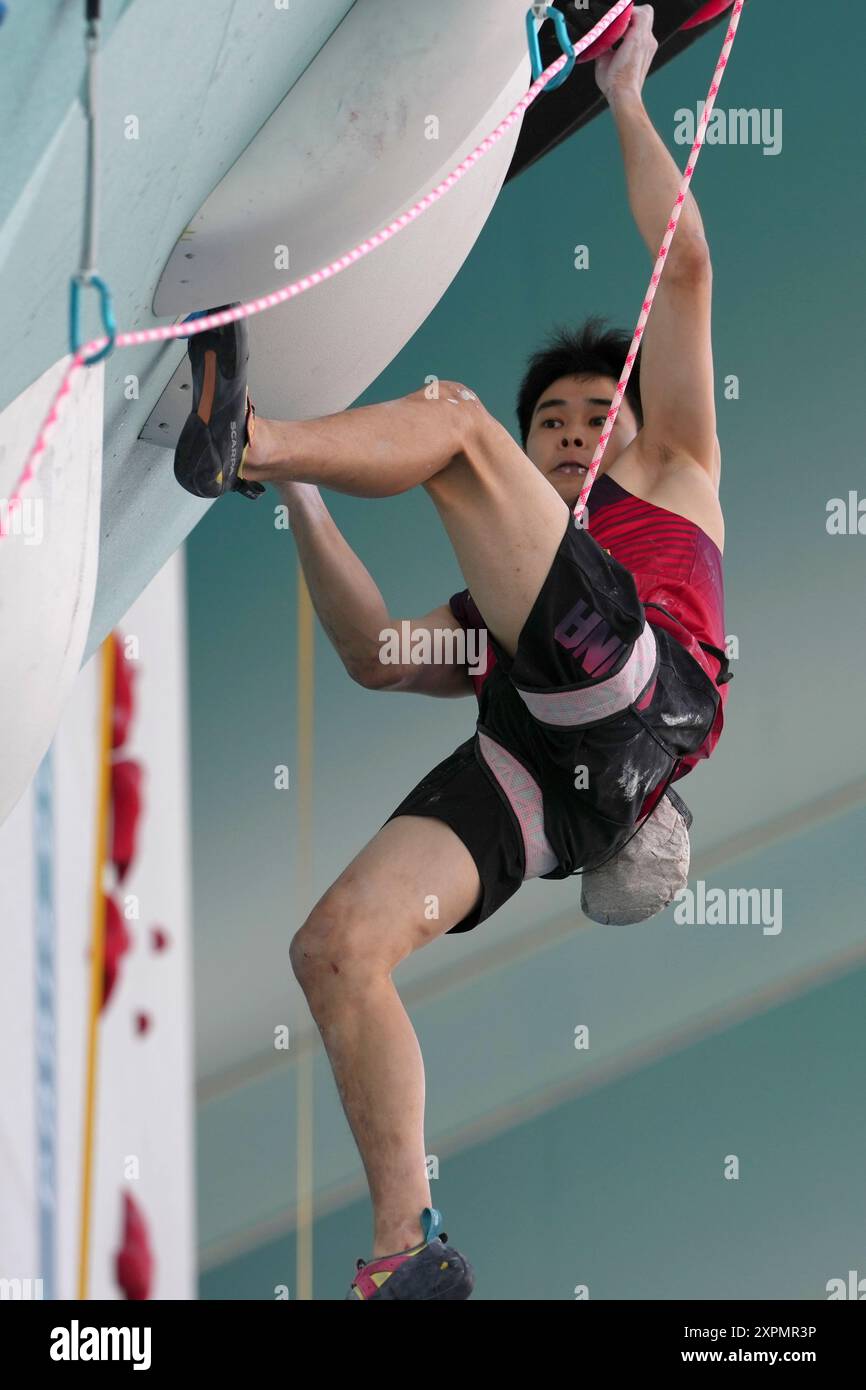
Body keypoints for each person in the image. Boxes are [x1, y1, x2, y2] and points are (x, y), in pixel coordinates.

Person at [173, 5, 731, 1301]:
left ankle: (248, 438)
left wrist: (628, 89)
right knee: (336, 948)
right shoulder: (505, 618)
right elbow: (376, 649)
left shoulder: (673, 470)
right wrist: (302, 503)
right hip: (551, 779)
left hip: (635, 701)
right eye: (553, 423)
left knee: (450, 421)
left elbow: (684, 274)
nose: (578, 432)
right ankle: (403, 1248)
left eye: (599, 412)